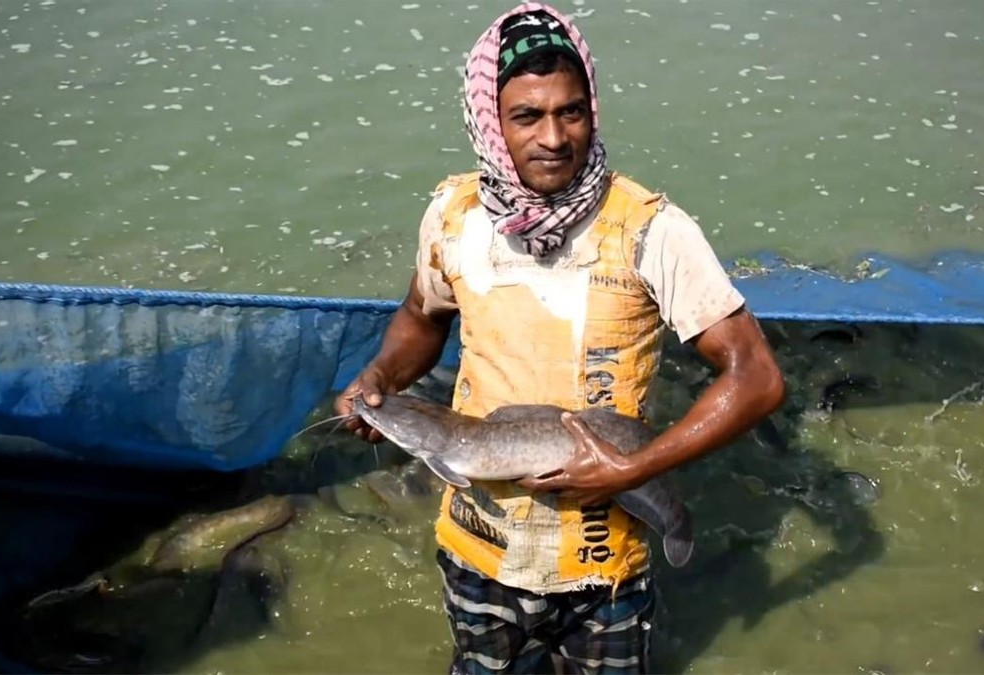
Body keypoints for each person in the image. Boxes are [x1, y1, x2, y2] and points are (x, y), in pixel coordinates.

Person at [336, 3, 785, 673]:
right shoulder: (453, 216)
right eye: (527, 117)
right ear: (491, 122)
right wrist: (380, 379)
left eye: (570, 112)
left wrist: (633, 469)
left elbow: (757, 377)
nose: (554, 137)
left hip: (604, 567)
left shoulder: (650, 229)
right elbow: (421, 318)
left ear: (592, 110)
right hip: (480, 550)